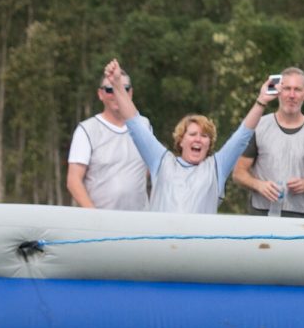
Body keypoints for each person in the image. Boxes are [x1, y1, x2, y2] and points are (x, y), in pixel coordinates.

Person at [105, 60, 277, 214]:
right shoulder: (162, 161)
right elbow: (136, 126)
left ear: (209, 144)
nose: (198, 139)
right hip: (160, 247)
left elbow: (241, 137)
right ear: (181, 140)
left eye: (204, 136)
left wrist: (261, 101)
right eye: (193, 134)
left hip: (198, 248)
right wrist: (118, 87)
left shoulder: (216, 167)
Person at [230, 67, 304, 218]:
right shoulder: (259, 126)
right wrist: (259, 185)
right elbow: (238, 173)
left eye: (297, 89)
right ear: (278, 90)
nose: (292, 95)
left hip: (300, 218)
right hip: (261, 215)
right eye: (287, 89)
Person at [66, 70, 150, 210]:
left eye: (124, 88)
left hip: (140, 223)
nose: (117, 94)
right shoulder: (87, 130)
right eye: (110, 89)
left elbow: (150, 168)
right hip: (102, 225)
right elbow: (73, 180)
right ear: (100, 94)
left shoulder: (144, 125)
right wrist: (95, 218)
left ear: (131, 93)